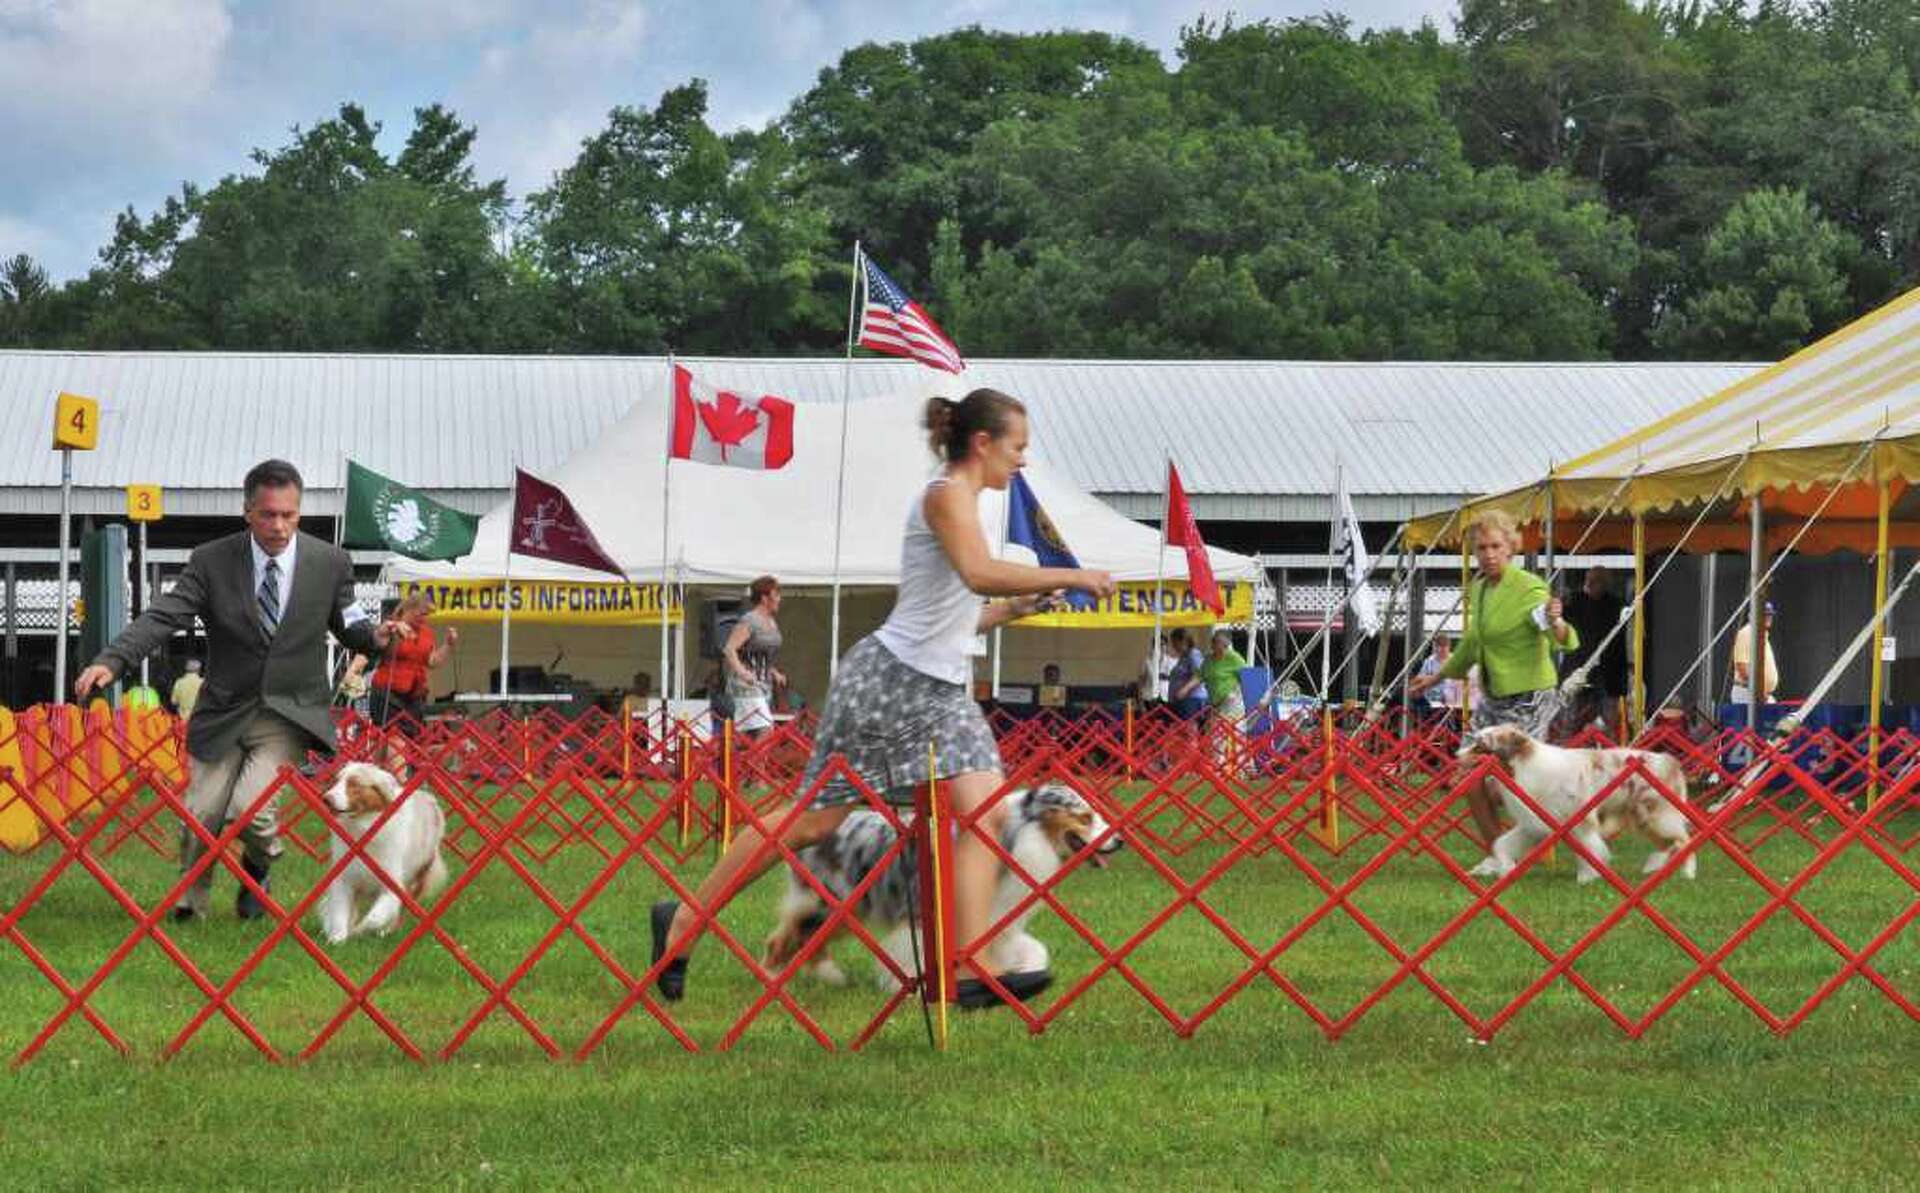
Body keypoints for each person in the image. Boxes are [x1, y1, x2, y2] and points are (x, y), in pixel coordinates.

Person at [650, 388, 1114, 1009]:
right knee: (815, 823)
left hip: (936, 688)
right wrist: (1071, 573)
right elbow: (977, 573)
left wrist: (1013, 609)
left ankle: (964, 966)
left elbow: (948, 616)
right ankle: (683, 919)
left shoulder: (965, 503)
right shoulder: (945, 496)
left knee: (990, 813)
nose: (1023, 461)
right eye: (1017, 447)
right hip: (888, 683)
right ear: (982, 443)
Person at [72, 459, 406, 923]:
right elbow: (165, 614)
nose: (280, 526)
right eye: (268, 514)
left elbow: (351, 624)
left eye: (289, 515)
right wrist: (113, 660)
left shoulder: (329, 563)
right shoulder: (212, 560)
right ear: (248, 511)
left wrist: (376, 639)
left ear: (299, 512)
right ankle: (191, 904)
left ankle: (259, 864)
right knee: (202, 812)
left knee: (251, 811)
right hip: (224, 708)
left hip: (286, 713)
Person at [1406, 509, 1577, 878]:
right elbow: (1473, 643)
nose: (1489, 554)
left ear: (1512, 547)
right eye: (1482, 548)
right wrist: (1436, 679)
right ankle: (1499, 856)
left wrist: (1557, 621)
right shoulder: (1480, 588)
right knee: (1468, 771)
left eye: (1496, 546)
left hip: (1530, 697)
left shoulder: (1529, 587)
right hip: (1495, 698)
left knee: (1505, 782)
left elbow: (1554, 631)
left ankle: (1563, 817)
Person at [367, 593, 456, 732]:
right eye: (422, 614)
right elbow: (379, 636)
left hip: (414, 697)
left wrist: (448, 645)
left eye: (427, 615)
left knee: (411, 741)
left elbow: (432, 661)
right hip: (388, 694)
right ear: (409, 609)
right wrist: (394, 626)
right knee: (393, 741)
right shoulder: (392, 625)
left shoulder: (427, 633)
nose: (425, 618)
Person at [1560, 565, 1627, 736]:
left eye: (1597, 581)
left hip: (1608, 671)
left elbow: (1624, 637)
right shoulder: (1572, 601)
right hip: (1577, 667)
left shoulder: (1616, 604)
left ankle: (1605, 753)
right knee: (1570, 720)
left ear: (1606, 584)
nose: (1590, 585)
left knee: (1608, 723)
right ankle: (1568, 750)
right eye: (1588, 581)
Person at [721, 576, 785, 738]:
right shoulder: (750, 620)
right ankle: (757, 764)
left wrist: (774, 672)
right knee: (766, 727)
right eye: (776, 594)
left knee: (744, 734)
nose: (779, 599)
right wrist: (743, 673)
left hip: (763, 683)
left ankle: (725, 760)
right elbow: (729, 649)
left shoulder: (772, 622)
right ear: (764, 598)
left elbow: (764, 654)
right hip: (745, 684)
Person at [1730, 601, 1779, 706]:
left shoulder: (1762, 635)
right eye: (1765, 614)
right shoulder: (1747, 633)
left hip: (1760, 694)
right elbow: (1741, 667)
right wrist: (1759, 690)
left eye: (1770, 614)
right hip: (1748, 693)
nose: (1769, 617)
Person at [1166, 629, 1208, 719]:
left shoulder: (1193, 654)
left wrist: (1184, 690)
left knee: (1189, 729)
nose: (1173, 646)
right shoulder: (1183, 657)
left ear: (1183, 641)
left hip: (1192, 700)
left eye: (1175, 643)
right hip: (1182, 700)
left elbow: (1199, 675)